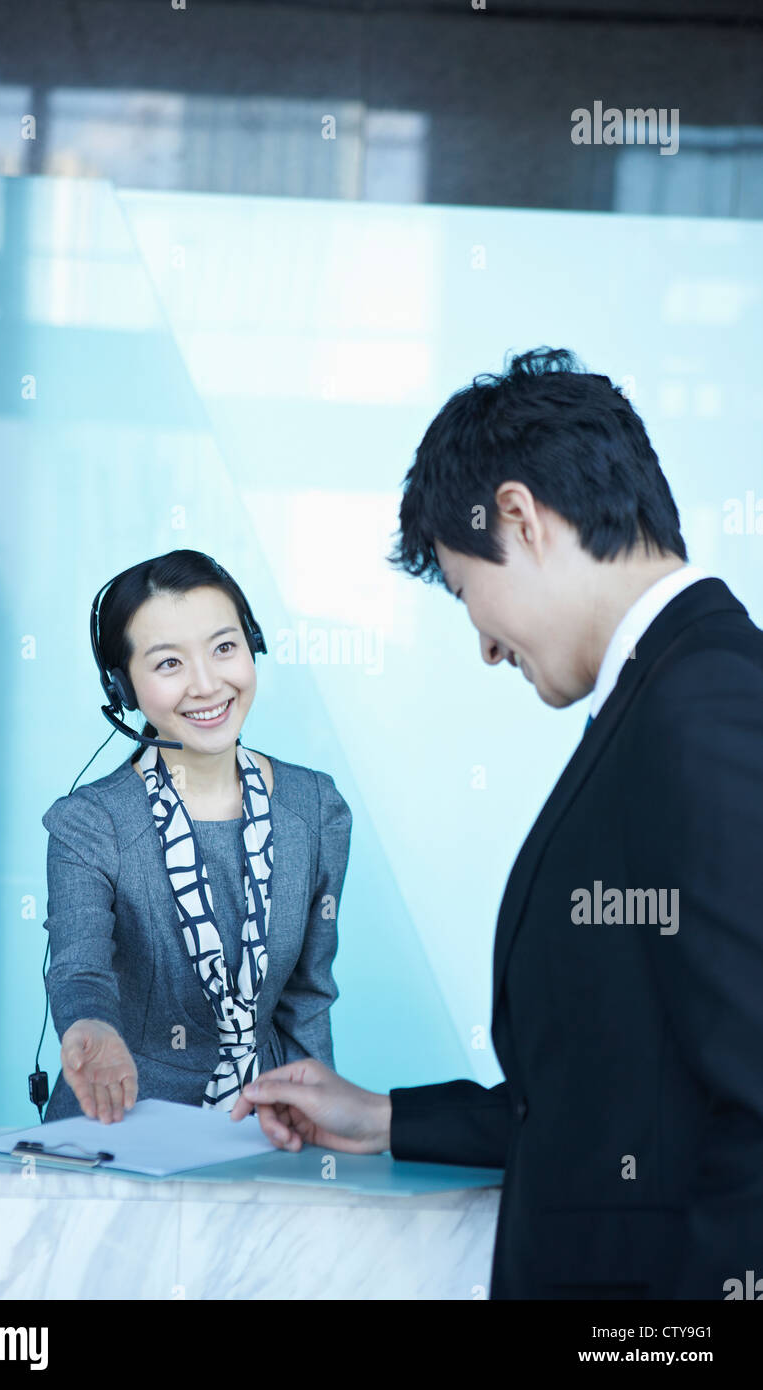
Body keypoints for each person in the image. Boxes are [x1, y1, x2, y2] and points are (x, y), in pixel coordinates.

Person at [231, 347, 763, 1301]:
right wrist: (389, 1117)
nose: (482, 643)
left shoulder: (706, 710)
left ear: (517, 517)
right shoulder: (666, 698)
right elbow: (625, 1097)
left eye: (466, 588)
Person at [41, 549, 353, 1125]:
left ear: (252, 645)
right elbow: (79, 970)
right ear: (124, 688)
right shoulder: (90, 822)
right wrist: (90, 1028)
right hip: (119, 1118)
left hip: (263, 1121)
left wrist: (318, 1124)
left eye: (224, 647)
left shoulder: (315, 807)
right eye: (168, 664)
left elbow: (309, 998)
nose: (208, 684)